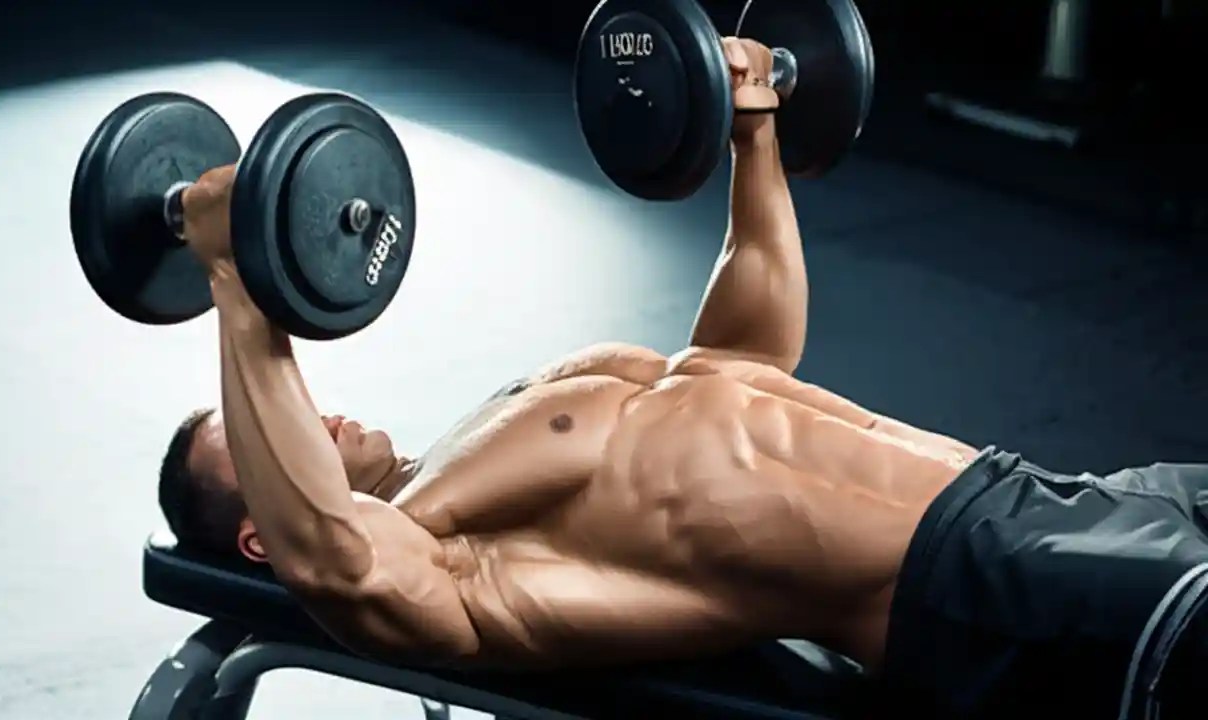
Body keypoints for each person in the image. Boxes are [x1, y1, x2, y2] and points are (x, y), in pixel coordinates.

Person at [154, 38, 1206, 718]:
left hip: (1051, 498)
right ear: (259, 532)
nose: (322, 410)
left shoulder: (507, 420)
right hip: (978, 588)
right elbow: (333, 560)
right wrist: (238, 286)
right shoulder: (449, 561)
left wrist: (752, 130)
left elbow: (742, 359)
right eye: (247, 441)